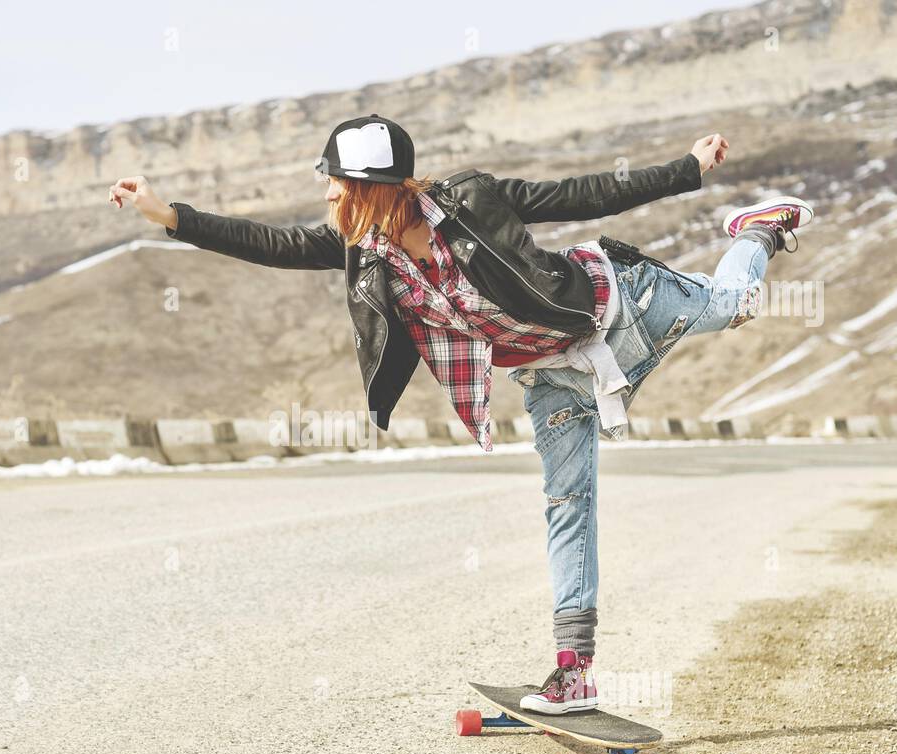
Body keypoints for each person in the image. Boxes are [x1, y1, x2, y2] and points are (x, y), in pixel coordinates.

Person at [109, 113, 812, 714]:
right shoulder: (364, 253)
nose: (326, 192)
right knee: (568, 504)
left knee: (735, 305)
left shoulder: (473, 200)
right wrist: (171, 217)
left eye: (337, 181)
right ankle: (573, 672)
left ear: (373, 188)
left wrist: (686, 167)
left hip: (619, 305)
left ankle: (757, 233)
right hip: (555, 374)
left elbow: (584, 193)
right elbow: (271, 242)